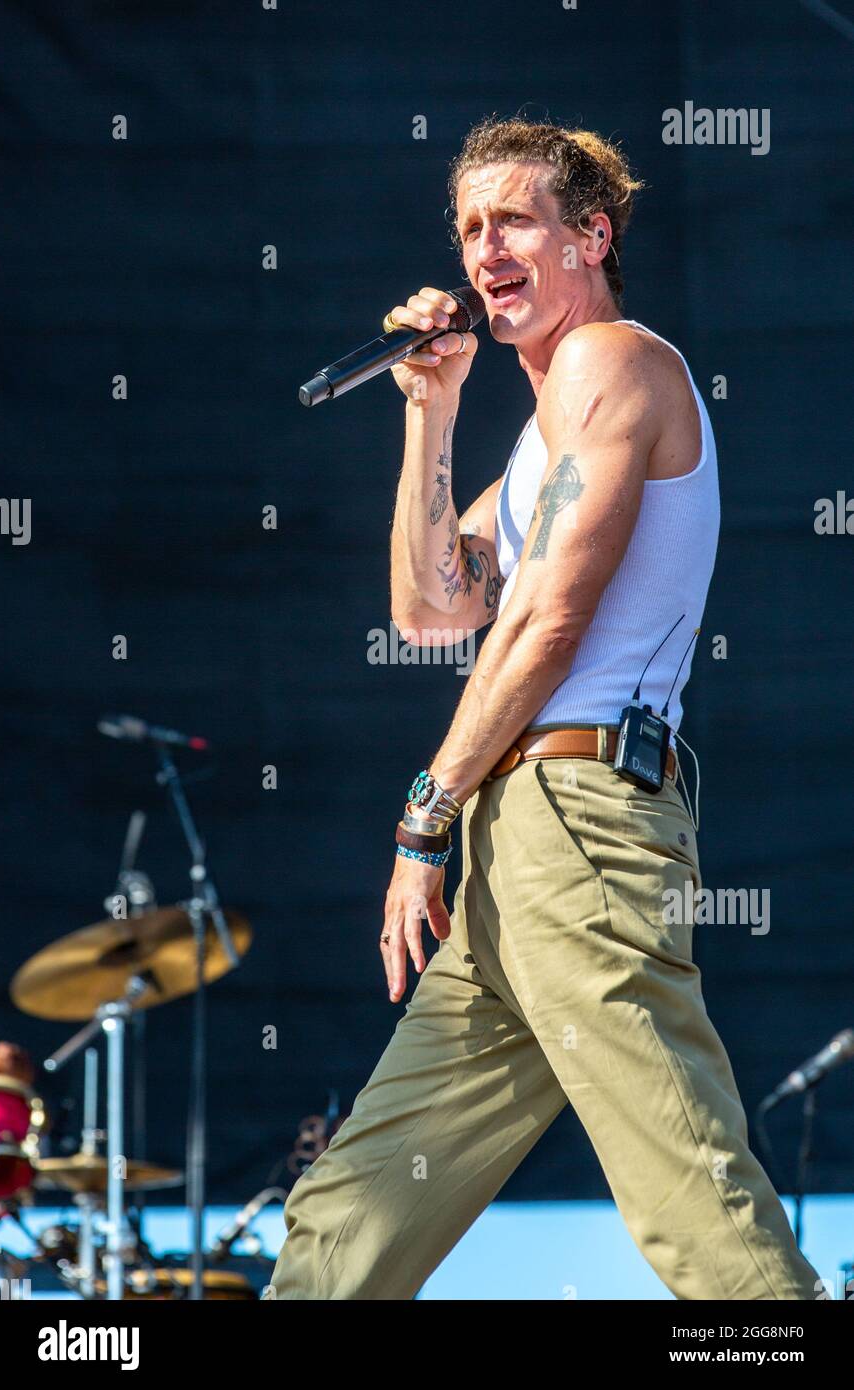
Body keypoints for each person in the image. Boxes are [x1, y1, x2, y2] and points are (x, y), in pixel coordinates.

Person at [263, 117, 821, 1301]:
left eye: (512, 219)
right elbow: (432, 611)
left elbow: (545, 622)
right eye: (467, 227)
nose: (482, 248)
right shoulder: (534, 436)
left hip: (575, 816)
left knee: (688, 1196)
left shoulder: (611, 362)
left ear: (591, 236)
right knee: (354, 1215)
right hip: (510, 852)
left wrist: (424, 809)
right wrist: (430, 404)